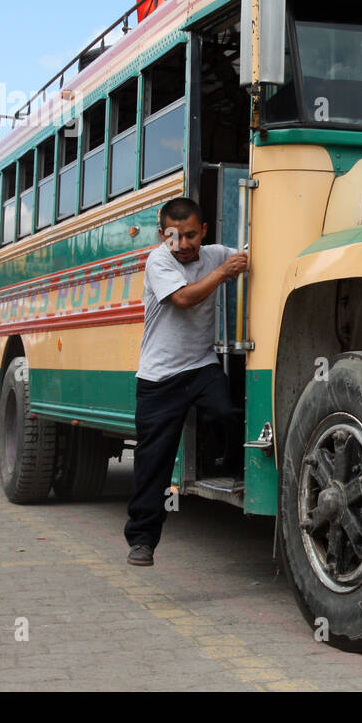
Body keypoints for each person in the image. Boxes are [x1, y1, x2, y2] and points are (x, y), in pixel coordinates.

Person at [124, 197, 248, 566]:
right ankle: (142, 541)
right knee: (153, 463)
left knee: (228, 413)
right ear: (163, 235)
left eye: (191, 235)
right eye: (174, 236)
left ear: (203, 231)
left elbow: (252, 256)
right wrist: (225, 272)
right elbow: (183, 298)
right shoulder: (158, 260)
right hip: (159, 377)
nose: (183, 245)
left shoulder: (216, 254)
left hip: (201, 366)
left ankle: (232, 471)